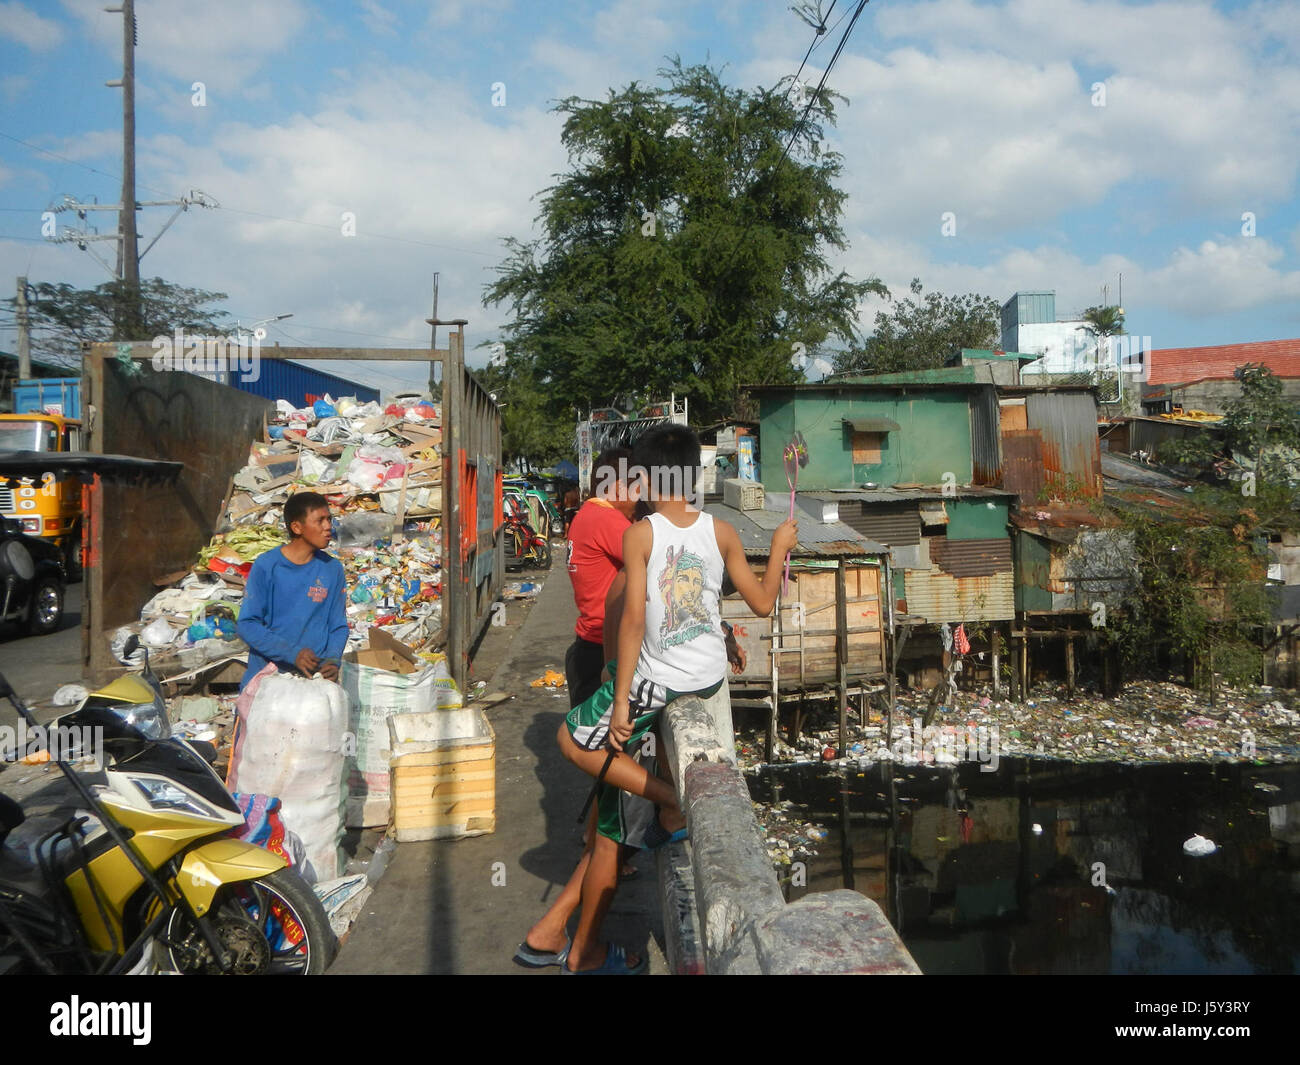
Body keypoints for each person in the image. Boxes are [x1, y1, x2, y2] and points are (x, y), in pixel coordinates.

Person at [554, 423, 797, 974]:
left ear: (645, 477)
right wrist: (779, 550)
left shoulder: (639, 536)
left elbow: (635, 621)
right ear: (694, 475)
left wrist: (620, 702)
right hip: (708, 680)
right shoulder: (723, 531)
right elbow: (760, 603)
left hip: (658, 680)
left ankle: (671, 798)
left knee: (571, 740)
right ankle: (672, 802)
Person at [237, 490, 349, 689]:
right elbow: (247, 624)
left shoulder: (332, 569)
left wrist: (333, 659)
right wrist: (292, 654)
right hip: (269, 681)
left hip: (313, 681)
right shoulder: (267, 566)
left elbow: (338, 626)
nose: (328, 527)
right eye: (320, 521)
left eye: (329, 520)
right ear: (297, 527)